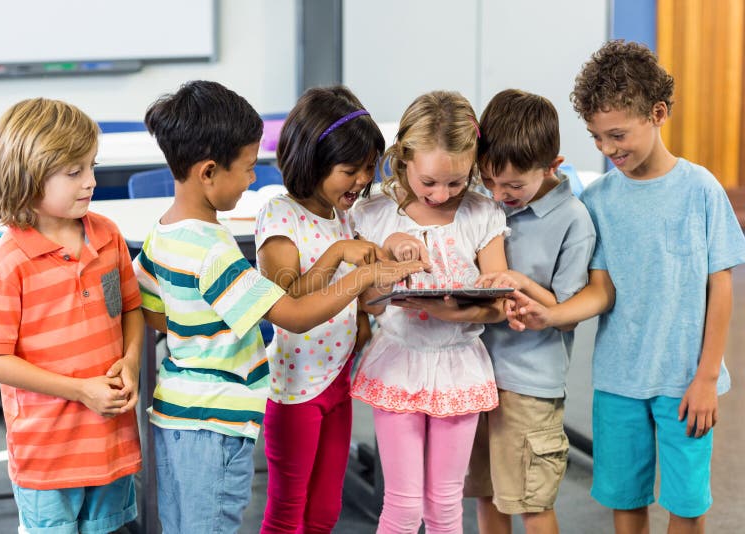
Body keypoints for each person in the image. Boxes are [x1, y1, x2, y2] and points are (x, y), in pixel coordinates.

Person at [132, 80, 426, 534]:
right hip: (217, 416)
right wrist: (361, 275)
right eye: (249, 168)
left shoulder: (164, 233)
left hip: (191, 409)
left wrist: (204, 325)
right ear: (209, 171)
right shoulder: (215, 251)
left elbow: (150, 308)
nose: (254, 179)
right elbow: (290, 313)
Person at [506, 40, 745, 533]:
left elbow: (719, 289)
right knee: (626, 501)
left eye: (617, 135)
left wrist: (704, 379)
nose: (608, 149)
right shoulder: (597, 201)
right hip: (618, 383)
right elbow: (598, 289)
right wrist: (547, 311)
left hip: (686, 383)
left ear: (657, 114)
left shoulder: (700, 190)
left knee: (687, 505)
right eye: (596, 138)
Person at [0, 98, 144, 534]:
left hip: (108, 439)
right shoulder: (11, 262)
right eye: (74, 172)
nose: (90, 181)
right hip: (48, 451)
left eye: (91, 166)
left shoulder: (107, 236)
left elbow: (130, 309)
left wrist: (131, 361)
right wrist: (79, 390)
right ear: (27, 178)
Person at [350, 90, 508, 533]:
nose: (442, 194)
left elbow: (497, 301)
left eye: (456, 182)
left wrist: (460, 314)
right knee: (401, 507)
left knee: (445, 506)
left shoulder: (481, 214)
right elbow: (366, 300)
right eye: (429, 182)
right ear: (404, 160)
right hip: (400, 361)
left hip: (459, 366)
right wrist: (389, 262)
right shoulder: (376, 214)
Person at [457, 89, 596, 534]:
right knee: (486, 493)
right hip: (475, 375)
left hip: (530, 386)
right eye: (490, 181)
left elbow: (568, 311)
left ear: (552, 166)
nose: (500, 195)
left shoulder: (574, 220)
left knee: (531, 502)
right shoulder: (484, 203)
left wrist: (520, 283)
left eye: (514, 186)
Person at [255, 85, 391, 533]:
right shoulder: (280, 214)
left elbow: (356, 299)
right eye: (350, 170)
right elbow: (288, 296)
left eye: (368, 169)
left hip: (337, 382)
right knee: (287, 514)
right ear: (312, 161)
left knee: (325, 512)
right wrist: (337, 257)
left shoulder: (343, 215)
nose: (361, 182)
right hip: (294, 391)